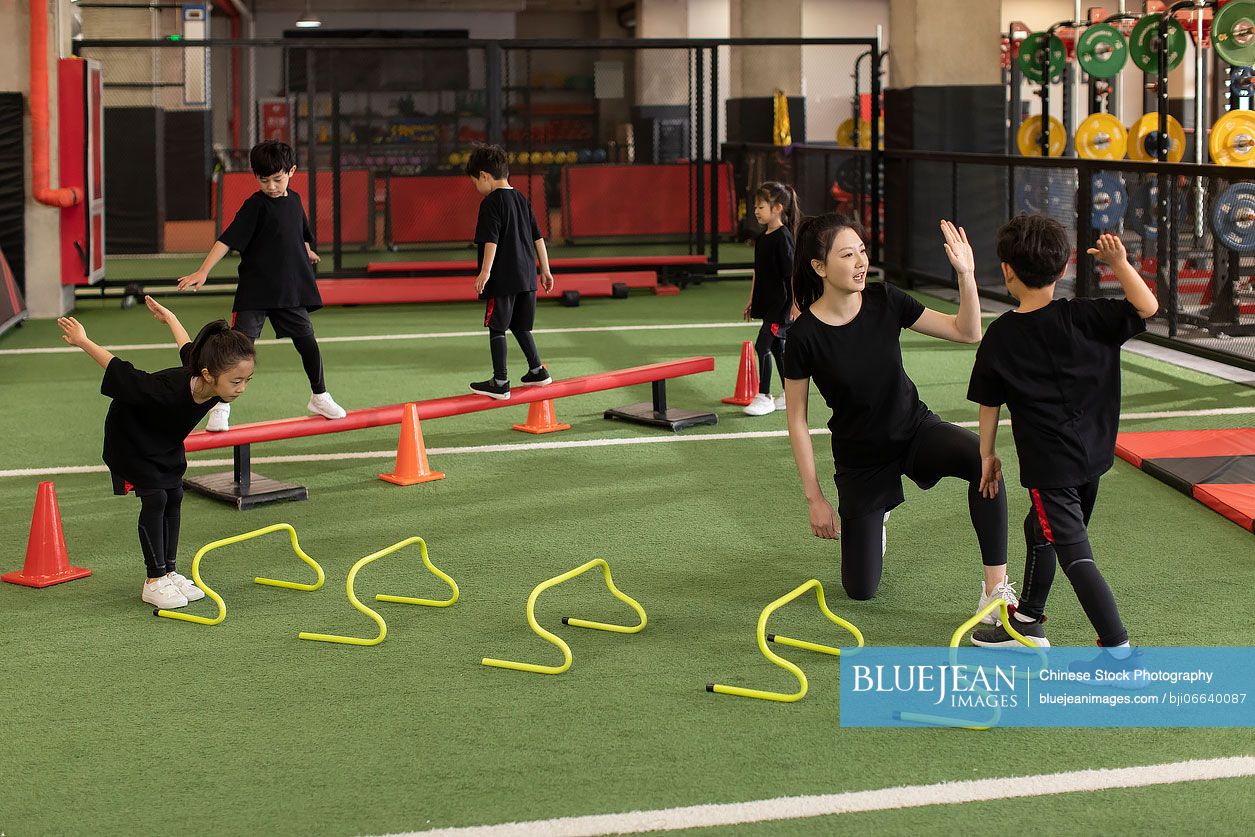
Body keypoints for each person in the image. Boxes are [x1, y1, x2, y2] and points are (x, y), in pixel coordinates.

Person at [782, 214, 1018, 618]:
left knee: (982, 462)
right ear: (819, 267)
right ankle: (876, 516)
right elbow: (797, 421)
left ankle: (995, 592)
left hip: (913, 432)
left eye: (861, 251)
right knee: (860, 589)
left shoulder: (885, 299)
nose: (860, 261)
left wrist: (966, 275)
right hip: (862, 460)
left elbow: (967, 331)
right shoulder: (804, 336)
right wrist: (814, 498)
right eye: (847, 255)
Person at [967, 220, 1157, 653]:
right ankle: (1028, 622)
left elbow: (989, 403)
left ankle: (1120, 656)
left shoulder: (1002, 335)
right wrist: (1119, 264)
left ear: (1007, 270)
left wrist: (986, 455)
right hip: (1094, 459)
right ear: (1064, 267)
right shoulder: (1087, 315)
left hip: (1052, 470)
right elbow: (1146, 306)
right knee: (1040, 529)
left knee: (1076, 555)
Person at [56, 297, 256, 610]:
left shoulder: (209, 376)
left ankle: (169, 572)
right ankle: (154, 580)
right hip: (130, 439)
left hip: (164, 440)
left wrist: (170, 317)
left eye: (247, 380)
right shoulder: (164, 390)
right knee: (156, 498)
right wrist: (82, 340)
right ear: (208, 375)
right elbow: (120, 371)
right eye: (236, 381)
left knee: (174, 494)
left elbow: (187, 346)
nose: (242, 387)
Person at [177, 139, 345, 431]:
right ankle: (221, 406)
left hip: (289, 290)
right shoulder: (255, 205)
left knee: (308, 342)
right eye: (263, 180)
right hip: (255, 292)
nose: (271, 186)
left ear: (291, 171)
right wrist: (203, 271)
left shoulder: (295, 201)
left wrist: (306, 250)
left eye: (277, 179)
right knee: (237, 350)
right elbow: (227, 239)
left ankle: (319, 396)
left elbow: (300, 233)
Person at [464, 144, 555, 400]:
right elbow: (538, 237)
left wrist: (485, 272)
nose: (477, 188)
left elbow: (490, 240)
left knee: (497, 327)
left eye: (475, 182)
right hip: (527, 277)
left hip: (502, 278)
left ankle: (500, 381)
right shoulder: (522, 199)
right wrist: (546, 270)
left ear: (484, 176)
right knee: (520, 325)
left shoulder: (491, 203)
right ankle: (537, 370)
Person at [742, 181, 801, 417]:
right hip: (768, 303)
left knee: (763, 345)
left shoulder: (783, 237)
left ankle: (764, 395)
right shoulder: (761, 238)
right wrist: (751, 299)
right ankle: (790, 393)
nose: (756, 211)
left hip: (781, 305)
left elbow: (792, 275)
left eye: (760, 207)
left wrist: (795, 304)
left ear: (777, 208)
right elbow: (758, 271)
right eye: (755, 207)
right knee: (777, 347)